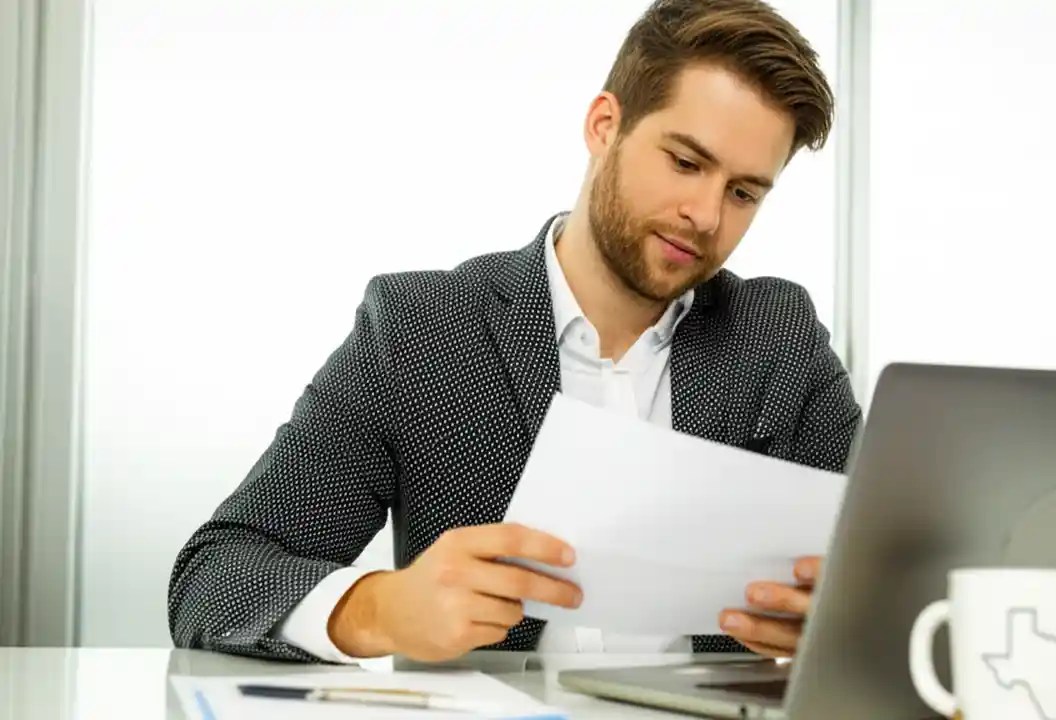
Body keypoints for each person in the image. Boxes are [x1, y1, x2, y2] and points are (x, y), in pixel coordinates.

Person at [168, 0, 861, 665]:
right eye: (685, 162)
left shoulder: (780, 339)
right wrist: (382, 608)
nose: (706, 215)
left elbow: (891, 580)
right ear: (604, 125)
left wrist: (846, 616)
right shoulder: (422, 328)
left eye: (743, 193)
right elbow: (214, 577)